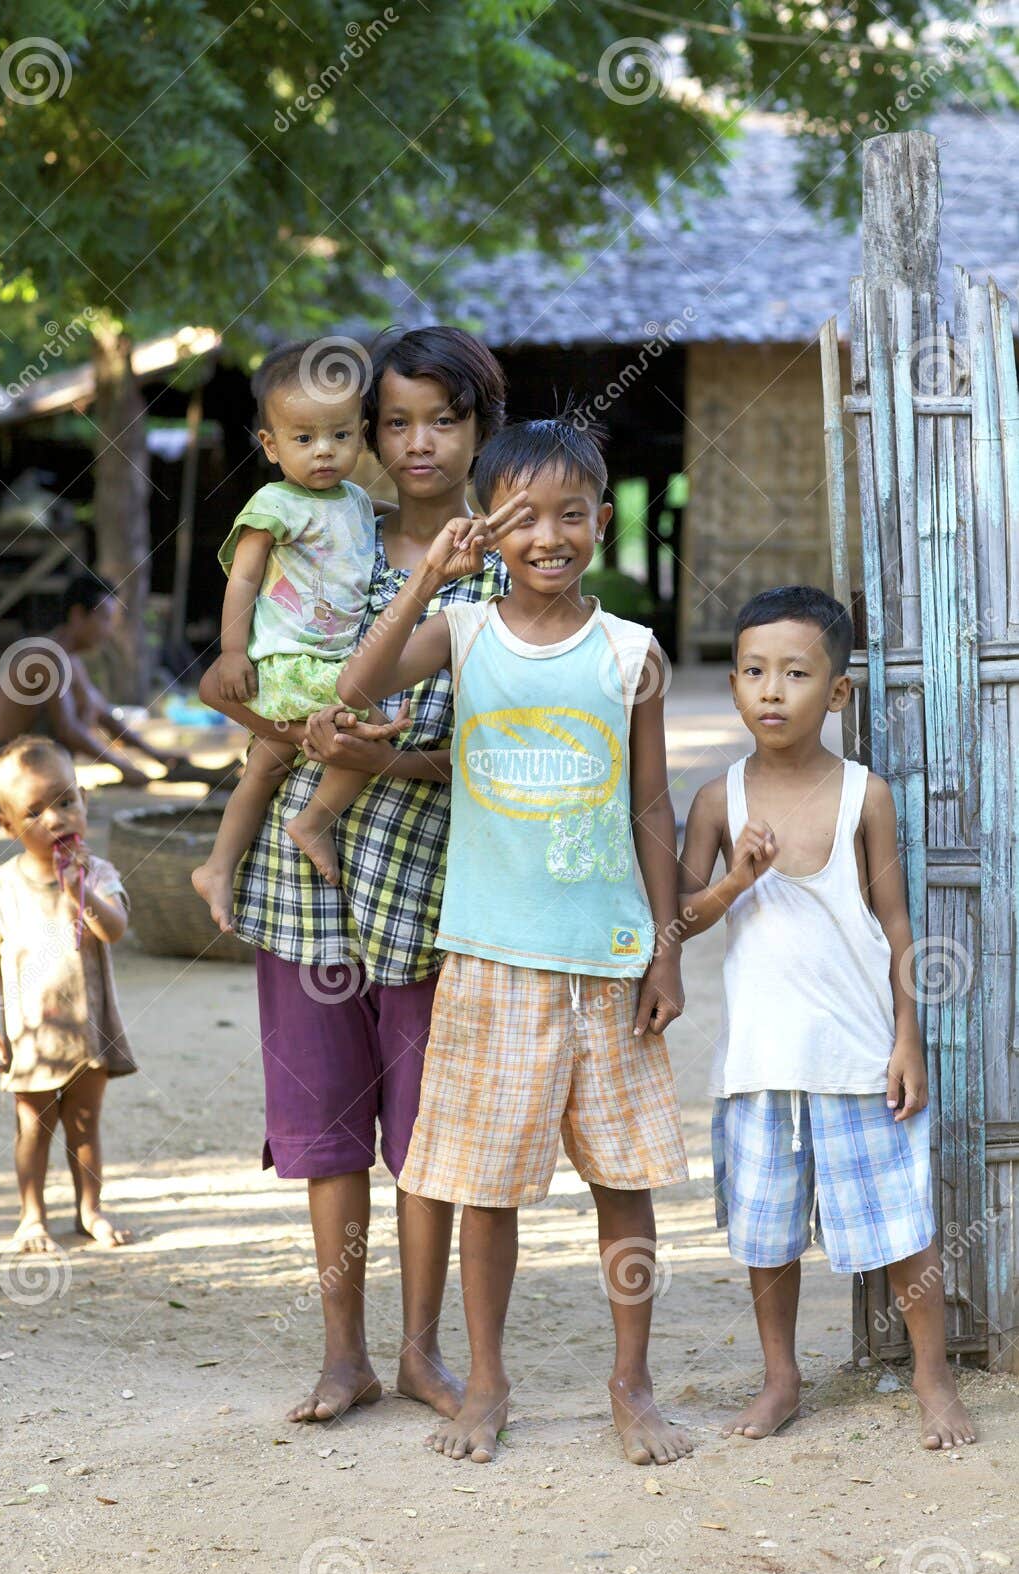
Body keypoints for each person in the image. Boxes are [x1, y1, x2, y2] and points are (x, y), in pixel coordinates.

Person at [338, 416, 690, 1467]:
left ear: (600, 519)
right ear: (484, 526)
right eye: (522, 516)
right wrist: (428, 578)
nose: (549, 535)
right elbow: (357, 692)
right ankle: (484, 1382)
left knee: (621, 1182)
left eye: (572, 514)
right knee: (485, 1186)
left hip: (607, 956)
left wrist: (665, 948)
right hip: (489, 957)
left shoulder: (632, 654)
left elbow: (650, 809)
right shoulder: (463, 630)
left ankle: (629, 1383)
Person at [200, 326, 510, 1427]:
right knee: (327, 1126)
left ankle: (424, 1352)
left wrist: (386, 758)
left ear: (482, 424)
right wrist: (286, 721)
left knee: (428, 1131)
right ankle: (346, 1355)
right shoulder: (326, 531)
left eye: (444, 419)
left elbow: (516, 754)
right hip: (306, 882)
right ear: (366, 432)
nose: (418, 442)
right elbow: (221, 681)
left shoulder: (515, 565)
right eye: (396, 422)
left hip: (435, 888)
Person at [677, 584, 975, 1451]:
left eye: (796, 673)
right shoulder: (715, 802)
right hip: (760, 1061)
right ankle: (781, 1377)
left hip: (854, 1055)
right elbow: (683, 916)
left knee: (896, 1225)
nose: (771, 690)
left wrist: (907, 1040)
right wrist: (736, 879)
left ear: (835, 693)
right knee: (766, 1234)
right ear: (732, 683)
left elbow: (896, 927)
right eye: (754, 672)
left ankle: (931, 1374)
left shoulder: (862, 797)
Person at [191, 341, 407, 926]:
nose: (323, 453)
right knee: (367, 733)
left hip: (333, 656)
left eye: (339, 436)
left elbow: (377, 516)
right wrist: (234, 652)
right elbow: (242, 583)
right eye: (304, 439)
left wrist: (410, 513)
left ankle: (217, 866)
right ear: (270, 444)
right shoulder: (274, 503)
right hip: (292, 662)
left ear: (360, 436)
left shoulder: (357, 500)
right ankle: (314, 819)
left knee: (263, 764)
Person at [0, 736, 136, 1254]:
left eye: (66, 802)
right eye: (35, 811)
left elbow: (115, 929)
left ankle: (90, 1209)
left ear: (84, 799)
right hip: (30, 1036)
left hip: (88, 1030)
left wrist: (80, 895)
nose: (56, 819)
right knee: (32, 1127)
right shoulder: (0, 889)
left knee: (84, 1127)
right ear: (8, 825)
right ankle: (32, 1217)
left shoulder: (98, 874)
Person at [0, 575, 231, 789]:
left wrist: (157, 756)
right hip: (5, 767)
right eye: (104, 619)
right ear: (78, 615)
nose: (108, 630)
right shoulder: (48, 658)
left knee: (89, 706)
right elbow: (68, 729)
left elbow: (104, 715)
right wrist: (122, 766)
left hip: (25, 760)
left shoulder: (67, 657)